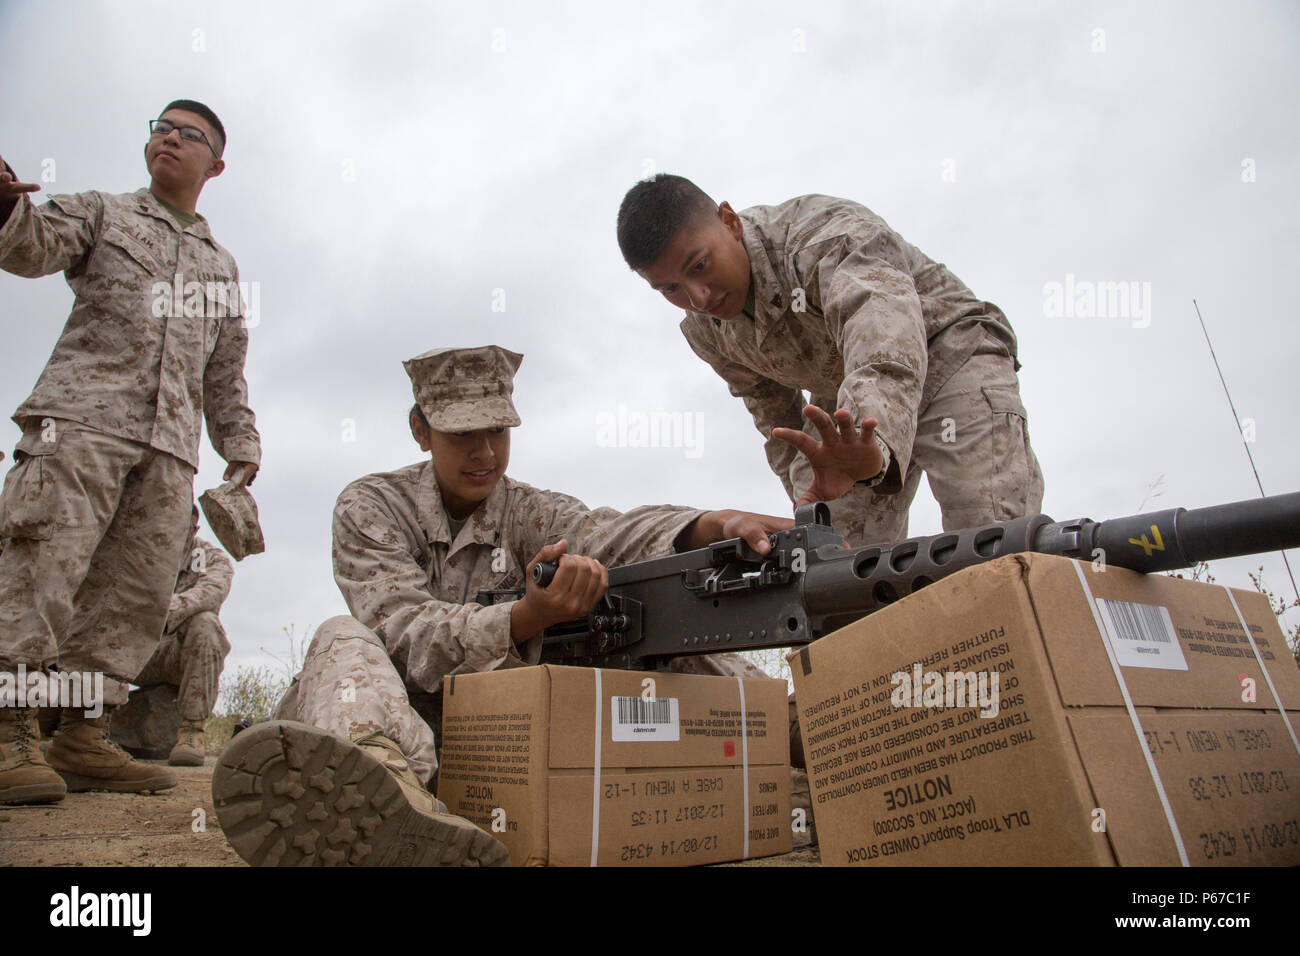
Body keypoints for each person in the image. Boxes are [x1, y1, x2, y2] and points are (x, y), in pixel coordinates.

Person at [213, 345, 791, 866]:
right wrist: (523, 619)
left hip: (498, 744)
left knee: (661, 637)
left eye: (497, 431)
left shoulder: (529, 509)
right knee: (341, 634)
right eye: (461, 435)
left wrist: (698, 528)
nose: (483, 452)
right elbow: (404, 632)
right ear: (420, 430)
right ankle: (385, 799)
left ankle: (794, 735)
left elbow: (606, 532)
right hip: (398, 722)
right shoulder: (372, 506)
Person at [0, 100, 260, 805]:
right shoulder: (102, 214)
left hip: (170, 451)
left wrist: (239, 444)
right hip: (79, 424)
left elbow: (224, 372)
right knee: (41, 566)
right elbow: (28, 245)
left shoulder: (219, 266)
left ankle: (81, 737)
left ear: (216, 164)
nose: (170, 138)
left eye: (189, 133)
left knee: (130, 595)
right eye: (161, 128)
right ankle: (10, 732)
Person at [616, 174, 1045, 549]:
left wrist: (868, 439)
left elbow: (882, 335)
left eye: (701, 265)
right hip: (845, 396)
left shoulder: (824, 238)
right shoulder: (704, 330)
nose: (699, 298)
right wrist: (812, 492)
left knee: (991, 542)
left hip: (949, 353)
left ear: (729, 222)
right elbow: (775, 418)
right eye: (670, 289)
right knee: (831, 561)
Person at [132, 505, 234, 767]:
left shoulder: (209, 557)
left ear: (194, 528)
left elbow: (212, 592)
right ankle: (82, 725)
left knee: (206, 623)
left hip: (173, 652)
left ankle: (192, 732)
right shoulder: (134, 552)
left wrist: (161, 612)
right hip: (129, 650)